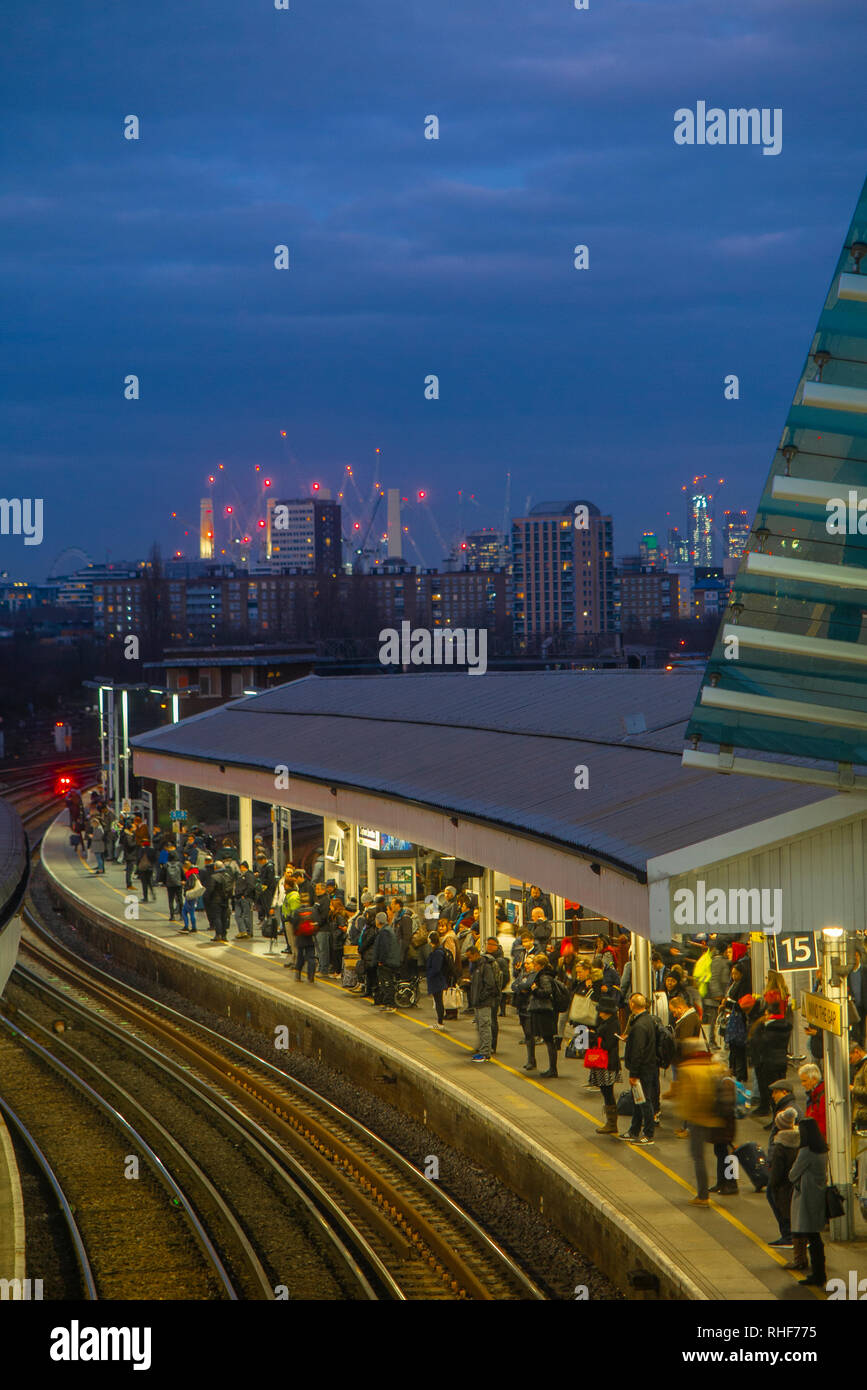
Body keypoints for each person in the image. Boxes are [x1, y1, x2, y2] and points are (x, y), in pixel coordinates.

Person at [671, 1040, 729, 1206]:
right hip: (720, 1115)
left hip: (699, 1118)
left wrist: (683, 1119)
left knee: (698, 1157)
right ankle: (729, 1183)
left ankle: (703, 1195)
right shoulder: (716, 1067)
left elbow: (689, 1099)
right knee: (725, 1151)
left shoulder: (688, 1070)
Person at [787, 1118, 829, 1286]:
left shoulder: (806, 1152)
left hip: (805, 1197)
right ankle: (819, 1273)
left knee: (813, 1237)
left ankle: (818, 1275)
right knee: (815, 1236)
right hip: (818, 1195)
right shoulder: (823, 1150)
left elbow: (792, 1174)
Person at [620, 994, 658, 1145]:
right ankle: (634, 1130)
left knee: (644, 1101)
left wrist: (633, 1073)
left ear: (632, 1005)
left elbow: (638, 1051)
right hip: (648, 1066)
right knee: (638, 1099)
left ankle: (648, 1133)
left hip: (642, 1069)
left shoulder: (640, 1025)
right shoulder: (648, 1020)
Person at [751, 995, 792, 1118]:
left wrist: (759, 1028)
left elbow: (760, 1043)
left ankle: (776, 1118)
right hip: (781, 1061)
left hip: (769, 1062)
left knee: (773, 1092)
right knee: (781, 1090)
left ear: (768, 1013)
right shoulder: (785, 1026)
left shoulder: (768, 1028)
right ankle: (778, 1115)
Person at [766, 1106, 800, 1251]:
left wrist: (772, 1184)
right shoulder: (799, 1139)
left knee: (780, 1207)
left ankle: (787, 1236)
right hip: (794, 1183)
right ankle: (794, 1236)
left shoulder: (781, 1145)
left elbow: (777, 1171)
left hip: (781, 1184)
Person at [591, 1000, 622, 1135]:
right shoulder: (608, 1022)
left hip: (607, 1063)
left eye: (601, 1011)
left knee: (608, 1091)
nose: (600, 1013)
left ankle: (611, 1124)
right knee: (605, 1091)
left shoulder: (612, 1025)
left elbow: (608, 1044)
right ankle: (610, 1122)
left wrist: (594, 1036)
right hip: (605, 1062)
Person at [467, 942, 501, 1062]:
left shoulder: (485, 967)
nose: (469, 960)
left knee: (484, 1026)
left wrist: (481, 997)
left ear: (476, 955)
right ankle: (482, 1049)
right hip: (478, 1002)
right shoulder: (477, 966)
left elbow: (490, 985)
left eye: (470, 957)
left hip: (484, 1003)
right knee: (480, 1027)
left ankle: (485, 1053)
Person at [526, 952, 558, 1078]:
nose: (533, 966)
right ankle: (552, 1068)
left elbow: (546, 992)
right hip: (546, 1010)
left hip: (545, 1011)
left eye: (534, 964)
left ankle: (553, 1069)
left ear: (539, 965)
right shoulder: (546, 975)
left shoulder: (543, 977)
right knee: (548, 1040)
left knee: (549, 1040)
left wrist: (535, 989)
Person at [371, 910, 401, 1011]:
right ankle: (388, 1003)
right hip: (389, 960)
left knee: (387, 983)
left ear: (378, 921)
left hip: (387, 962)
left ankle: (391, 1004)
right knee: (386, 982)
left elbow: (384, 948)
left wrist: (381, 961)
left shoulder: (384, 932)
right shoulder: (387, 930)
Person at [426, 932, 449, 1029]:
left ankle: (440, 1023)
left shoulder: (437, 953)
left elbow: (436, 968)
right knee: (438, 1001)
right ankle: (440, 1022)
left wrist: (429, 975)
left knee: (438, 1002)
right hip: (437, 979)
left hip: (437, 980)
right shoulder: (438, 951)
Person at [799, 1063, 826, 1142]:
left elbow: (823, 1123)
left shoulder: (822, 1096)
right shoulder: (815, 1093)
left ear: (814, 1079)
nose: (802, 1084)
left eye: (804, 1081)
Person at [233, 860, 257, 939]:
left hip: (246, 898)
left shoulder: (249, 875)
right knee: (237, 915)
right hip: (238, 897)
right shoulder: (240, 875)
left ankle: (248, 932)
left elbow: (251, 886)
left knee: (247, 916)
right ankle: (243, 931)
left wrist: (245, 895)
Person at [163, 847, 184, 921]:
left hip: (169, 884)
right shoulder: (179, 864)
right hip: (178, 884)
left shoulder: (166, 865)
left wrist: (164, 882)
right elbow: (183, 874)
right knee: (180, 899)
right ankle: (182, 915)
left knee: (171, 900)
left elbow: (163, 875)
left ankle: (172, 916)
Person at [181, 867, 203, 932]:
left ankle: (188, 926)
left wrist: (185, 884)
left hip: (190, 896)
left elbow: (191, 885)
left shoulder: (191, 875)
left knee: (185, 912)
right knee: (190, 912)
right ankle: (192, 927)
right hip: (194, 896)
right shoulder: (196, 875)